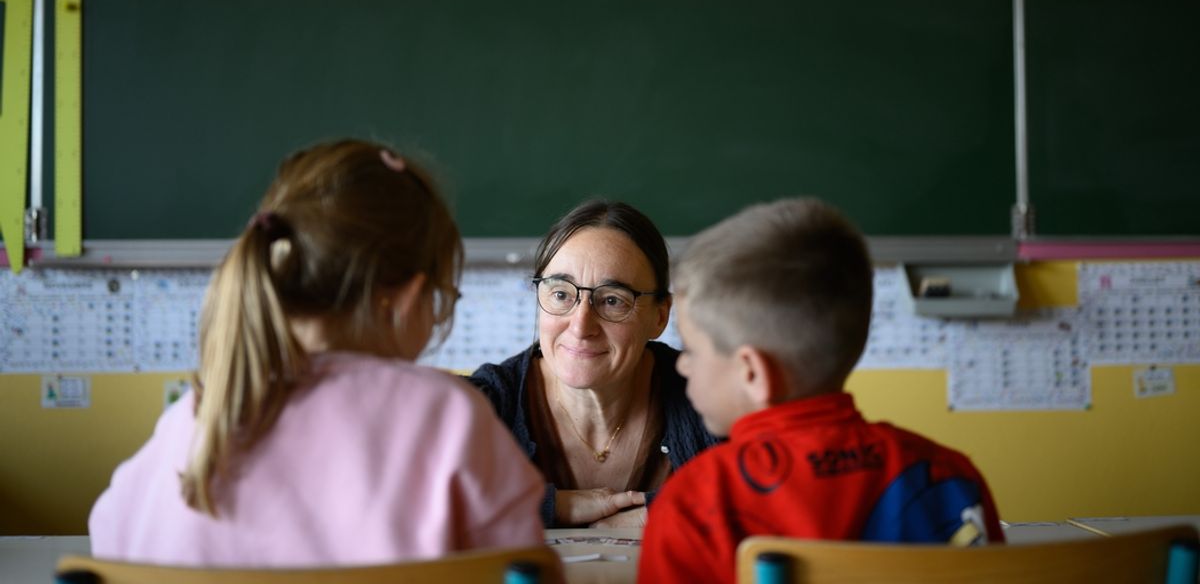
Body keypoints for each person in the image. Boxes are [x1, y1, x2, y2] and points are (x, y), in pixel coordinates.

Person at [89, 139, 544, 567]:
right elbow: (527, 573)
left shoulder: (190, 422)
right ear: (406, 300)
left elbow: (107, 542)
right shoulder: (451, 419)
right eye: (442, 297)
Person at [639, 198, 1005, 584]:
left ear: (752, 374)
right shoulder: (947, 477)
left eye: (692, 350)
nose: (681, 364)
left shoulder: (698, 502)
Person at [469, 199, 717, 528]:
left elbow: (777, 493)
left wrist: (655, 513)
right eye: (561, 294)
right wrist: (550, 505)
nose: (581, 326)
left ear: (659, 316)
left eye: (613, 300)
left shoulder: (711, 398)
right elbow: (414, 500)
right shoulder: (485, 404)